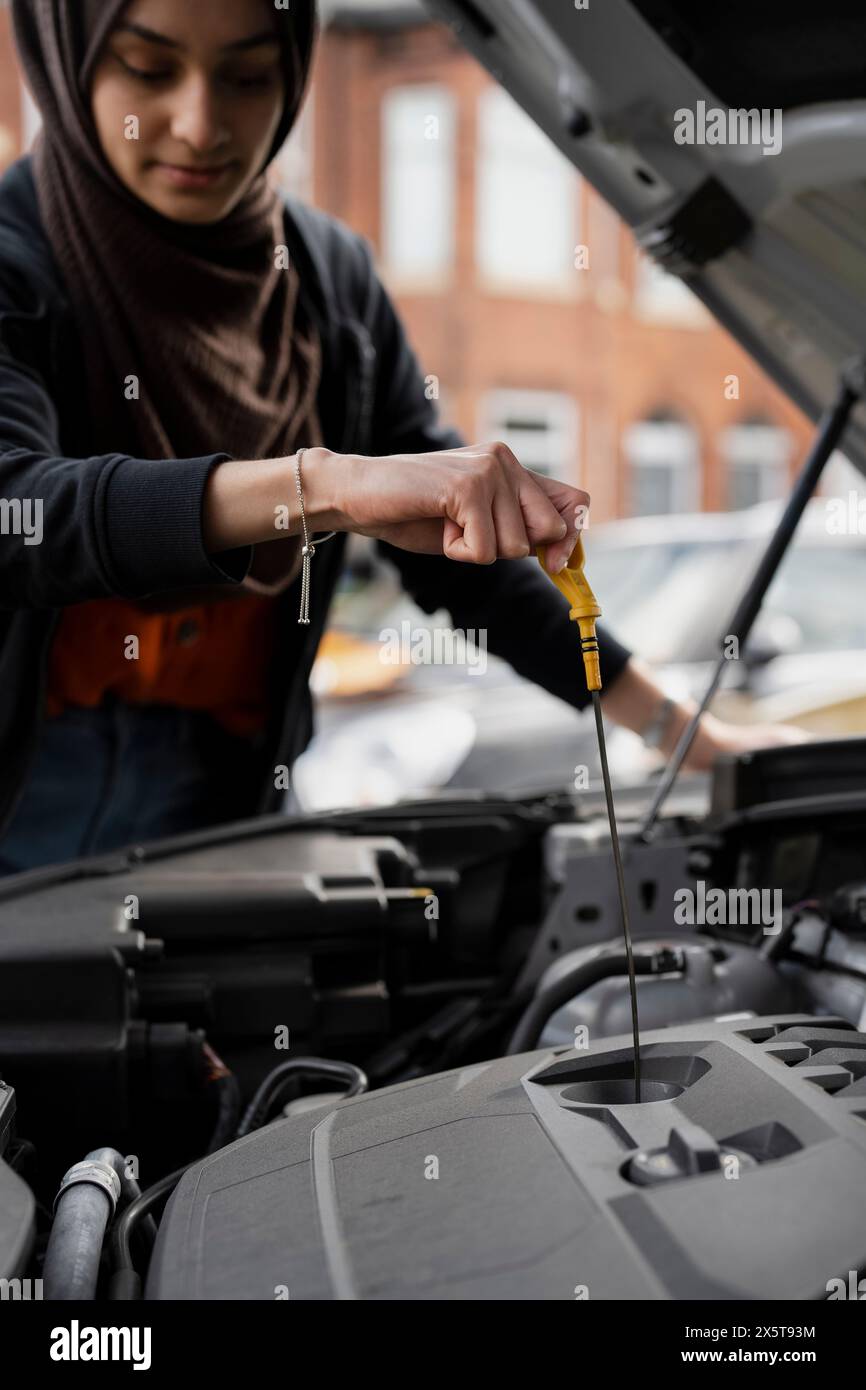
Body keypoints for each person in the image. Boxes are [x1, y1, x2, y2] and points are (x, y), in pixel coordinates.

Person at [0, 0, 801, 877]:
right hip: (26, 790)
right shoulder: (14, 257)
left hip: (234, 786)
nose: (200, 124)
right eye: (149, 71)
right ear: (67, 59)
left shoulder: (330, 280)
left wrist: (683, 732)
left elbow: (469, 572)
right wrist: (326, 487)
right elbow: (20, 511)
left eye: (248, 77)